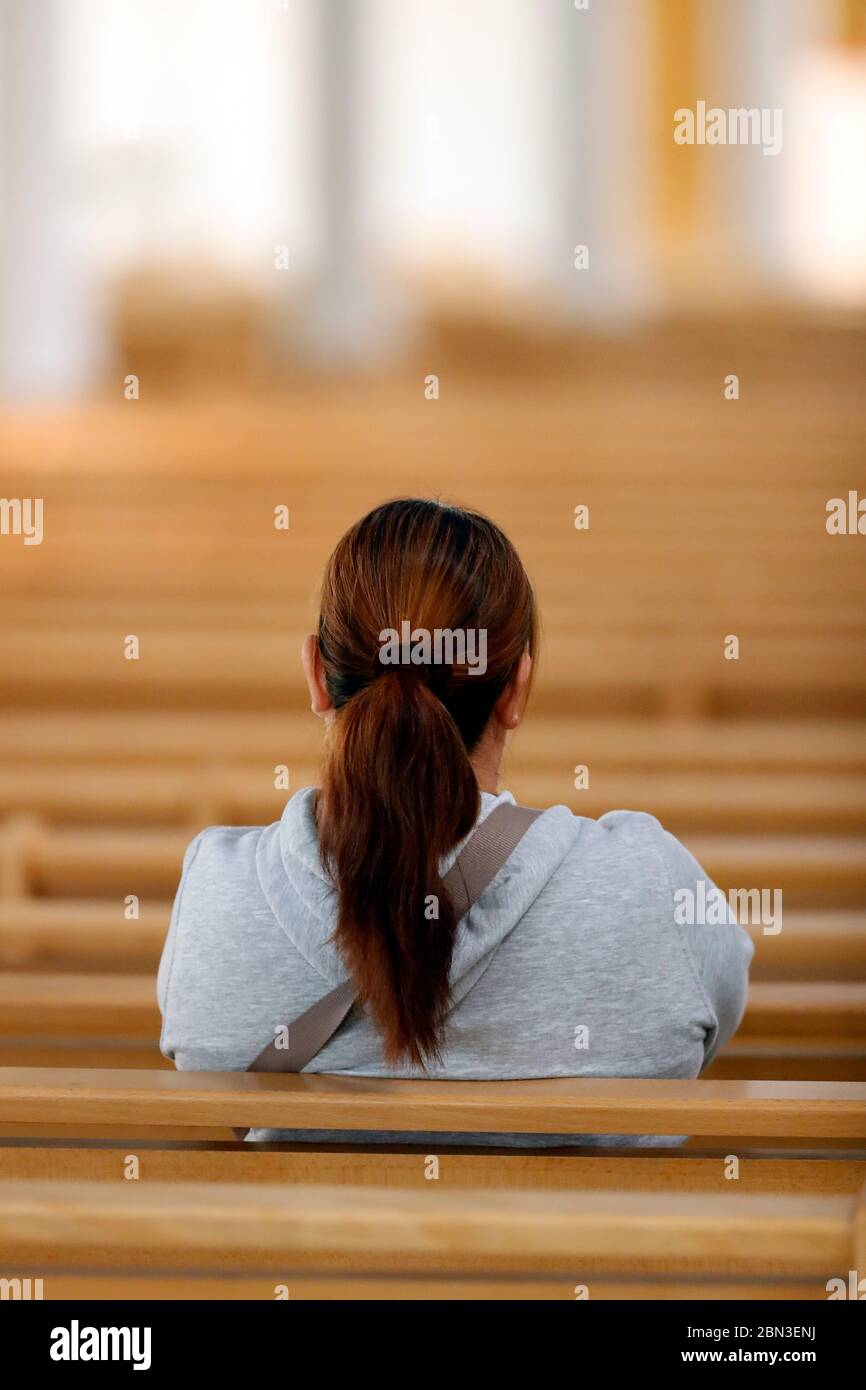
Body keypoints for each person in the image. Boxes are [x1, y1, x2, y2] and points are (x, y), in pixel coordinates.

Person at [158, 497, 753, 1143]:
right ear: (515, 688)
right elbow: (706, 1031)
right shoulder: (651, 884)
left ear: (317, 676)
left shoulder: (218, 892)